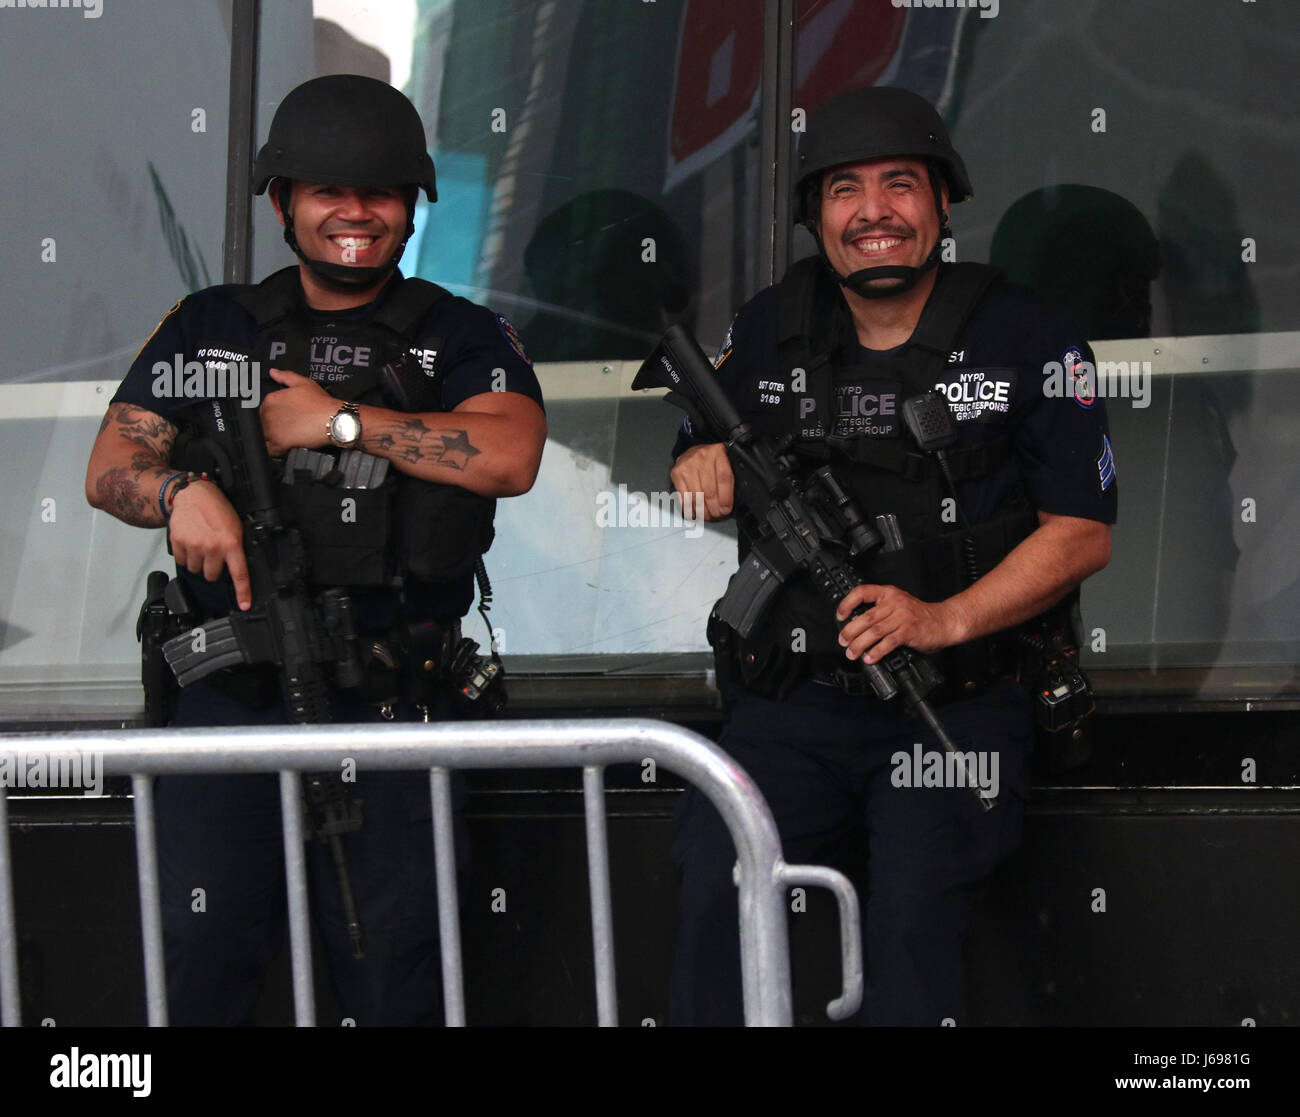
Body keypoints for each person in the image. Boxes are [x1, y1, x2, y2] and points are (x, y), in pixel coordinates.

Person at [84, 74, 546, 1025]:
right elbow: (112, 463)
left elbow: (510, 452)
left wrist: (334, 423)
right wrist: (179, 490)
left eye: (379, 191)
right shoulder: (213, 325)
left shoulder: (457, 334)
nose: (355, 212)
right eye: (328, 190)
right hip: (234, 704)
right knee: (201, 949)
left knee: (395, 965)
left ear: (412, 204)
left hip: (396, 704)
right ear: (283, 203)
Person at [667, 86, 1115, 1026]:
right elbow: (690, 447)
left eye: (899, 184)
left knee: (913, 945)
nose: (875, 210)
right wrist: (697, 460)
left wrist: (941, 619)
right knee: (720, 914)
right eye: (845, 191)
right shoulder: (765, 327)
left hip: (949, 704)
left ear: (941, 203)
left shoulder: (1024, 331)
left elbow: (1082, 531)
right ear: (815, 216)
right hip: (788, 709)